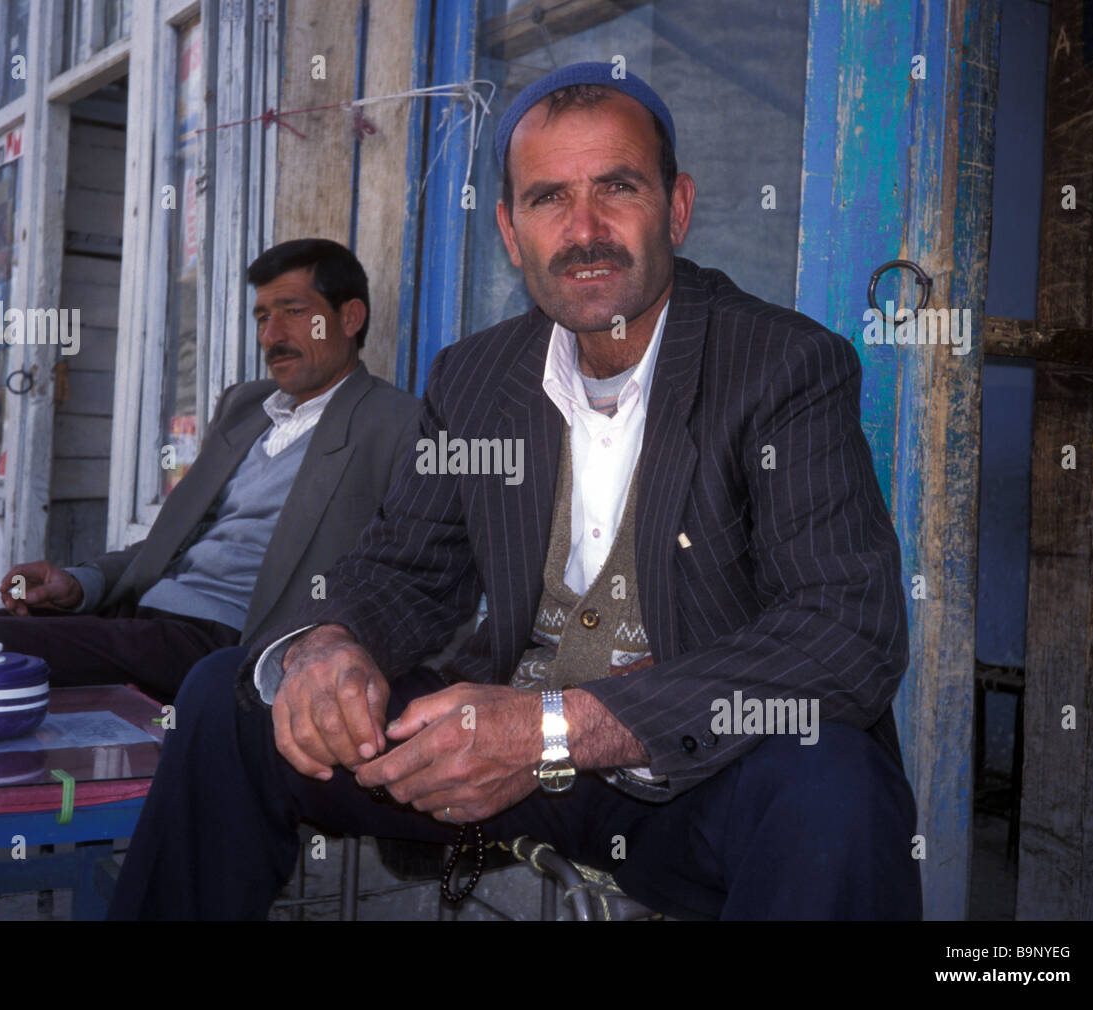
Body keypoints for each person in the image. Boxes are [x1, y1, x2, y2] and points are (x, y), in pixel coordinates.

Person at [108, 63, 922, 920]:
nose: (584, 230)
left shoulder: (781, 367)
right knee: (231, 695)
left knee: (835, 788)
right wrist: (334, 644)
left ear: (676, 208)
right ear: (508, 229)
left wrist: (558, 728)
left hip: (691, 775)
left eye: (617, 187)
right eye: (547, 199)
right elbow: (409, 568)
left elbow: (846, 630)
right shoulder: (478, 378)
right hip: (492, 760)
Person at [0, 238, 421, 703]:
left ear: (350, 317)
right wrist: (81, 582)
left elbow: (411, 577)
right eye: (263, 316)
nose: (272, 336)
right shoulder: (246, 408)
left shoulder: (395, 423)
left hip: (225, 644)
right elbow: (167, 543)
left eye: (295, 313)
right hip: (145, 618)